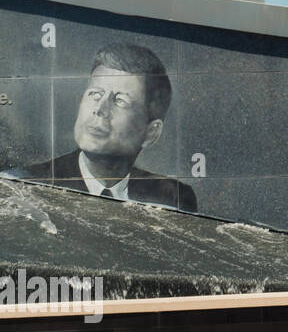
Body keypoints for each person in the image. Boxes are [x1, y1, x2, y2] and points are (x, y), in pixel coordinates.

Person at [3, 43, 197, 212]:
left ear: (151, 132)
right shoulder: (23, 184)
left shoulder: (173, 198)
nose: (100, 109)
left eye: (120, 100)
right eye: (95, 94)